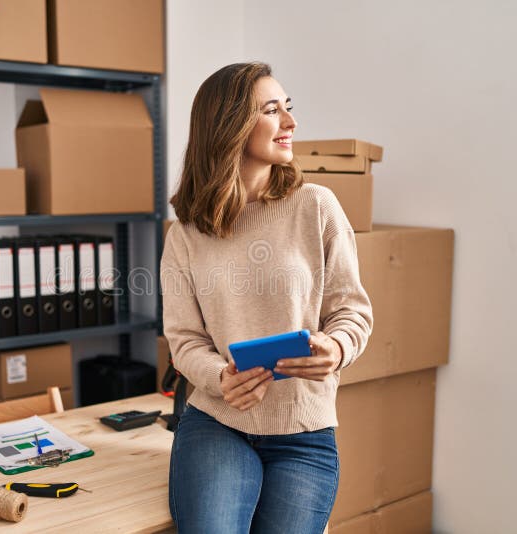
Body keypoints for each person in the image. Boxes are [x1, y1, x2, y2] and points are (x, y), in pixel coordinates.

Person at [160, 61, 374, 534]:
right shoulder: (186, 234)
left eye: (288, 108)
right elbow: (184, 341)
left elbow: (351, 312)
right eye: (272, 110)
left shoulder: (316, 206)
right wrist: (221, 376)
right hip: (218, 423)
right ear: (230, 125)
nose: (291, 123)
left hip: (304, 432)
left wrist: (336, 348)